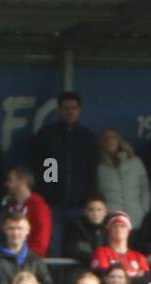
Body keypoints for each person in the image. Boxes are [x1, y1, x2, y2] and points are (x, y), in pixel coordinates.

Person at [31, 92, 98, 250]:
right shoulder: (48, 135)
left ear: (79, 110)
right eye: (66, 108)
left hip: (80, 205)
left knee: (80, 248)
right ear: (59, 110)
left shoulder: (87, 136)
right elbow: (48, 167)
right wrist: (49, 195)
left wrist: (90, 198)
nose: (70, 111)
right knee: (54, 248)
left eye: (73, 108)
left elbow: (91, 171)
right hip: (54, 205)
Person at [96, 129, 151, 229]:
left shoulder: (135, 162)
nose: (109, 141)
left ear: (119, 141)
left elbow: (145, 187)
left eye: (112, 138)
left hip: (136, 217)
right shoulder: (98, 166)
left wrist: (144, 209)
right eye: (105, 139)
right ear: (101, 143)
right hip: (112, 219)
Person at [2, 166, 51, 257]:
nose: (7, 184)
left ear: (22, 182)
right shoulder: (9, 207)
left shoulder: (39, 208)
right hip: (7, 259)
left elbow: (41, 244)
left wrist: (24, 257)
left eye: (10, 180)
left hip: (30, 263)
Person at [62, 195, 108, 263]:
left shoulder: (112, 226)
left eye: (99, 210)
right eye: (91, 210)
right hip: (82, 267)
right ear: (85, 212)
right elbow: (72, 249)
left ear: (105, 212)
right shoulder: (75, 227)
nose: (96, 214)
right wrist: (95, 257)